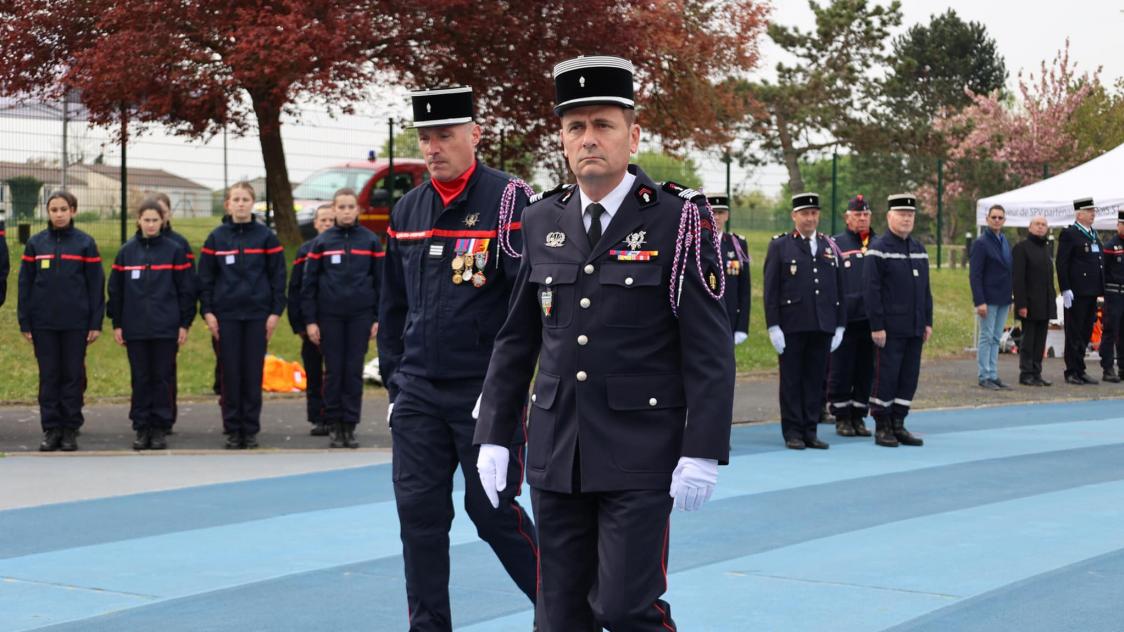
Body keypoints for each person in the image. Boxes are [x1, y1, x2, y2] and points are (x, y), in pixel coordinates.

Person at [474, 56, 735, 631]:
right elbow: (518, 337)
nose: (588, 139)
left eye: (603, 125)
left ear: (633, 134)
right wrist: (494, 431)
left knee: (623, 608)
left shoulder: (678, 220)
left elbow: (709, 349)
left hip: (640, 452)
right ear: (563, 140)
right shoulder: (542, 219)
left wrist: (702, 447)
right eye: (576, 127)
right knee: (559, 615)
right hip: (556, 451)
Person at [376, 85, 538, 630]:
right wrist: (398, 386)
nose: (433, 147)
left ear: (474, 135)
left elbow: (526, 306)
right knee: (418, 518)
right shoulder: (408, 209)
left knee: (492, 513)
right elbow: (391, 307)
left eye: (445, 135)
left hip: (483, 392)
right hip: (419, 391)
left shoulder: (510, 201)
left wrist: (508, 391)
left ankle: (568, 610)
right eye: (425, 137)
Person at [198, 182, 286, 449]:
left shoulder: (266, 238)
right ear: (228, 204)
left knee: (251, 372)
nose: (240, 204)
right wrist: (209, 312)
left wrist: (274, 313)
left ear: (252, 203)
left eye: (245, 199)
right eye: (235, 199)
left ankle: (250, 429)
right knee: (230, 373)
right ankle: (232, 428)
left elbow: (278, 277)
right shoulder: (216, 238)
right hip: (226, 316)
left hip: (258, 315)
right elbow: (206, 279)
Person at [18, 191, 104, 452]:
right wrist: (25, 322)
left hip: (75, 323)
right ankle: (51, 429)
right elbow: (25, 285)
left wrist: (95, 322)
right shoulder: (35, 244)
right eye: (53, 209)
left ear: (73, 211)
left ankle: (69, 428)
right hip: (43, 324)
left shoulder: (85, 244)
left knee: (72, 376)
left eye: (63, 209)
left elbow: (95, 286)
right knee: (49, 376)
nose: (58, 214)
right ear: (48, 212)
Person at [107, 199, 195, 450]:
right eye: (146, 220)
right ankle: (141, 426)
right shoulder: (127, 252)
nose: (151, 224)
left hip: (165, 327)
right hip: (135, 327)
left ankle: (159, 427)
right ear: (138, 221)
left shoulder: (174, 251)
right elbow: (116, 290)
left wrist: (183, 324)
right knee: (141, 378)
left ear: (163, 221)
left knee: (162, 378)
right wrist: (117, 323)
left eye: (155, 220)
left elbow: (185, 290)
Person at [764, 193, 846, 450]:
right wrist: (773, 325)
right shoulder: (781, 246)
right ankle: (793, 431)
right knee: (791, 380)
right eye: (805, 213)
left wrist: (840, 324)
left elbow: (839, 288)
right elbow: (771, 290)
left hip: (822, 324)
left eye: (814, 213)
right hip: (792, 325)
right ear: (794, 216)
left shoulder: (829, 246)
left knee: (815, 380)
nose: (810, 218)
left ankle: (810, 430)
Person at [301, 189, 381, 448]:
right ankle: (334, 423)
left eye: (351, 207)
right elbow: (308, 284)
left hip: (360, 316)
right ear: (334, 210)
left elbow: (381, 284)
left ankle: (350, 424)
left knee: (353, 371)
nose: (346, 211)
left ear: (358, 210)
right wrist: (311, 320)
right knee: (334, 372)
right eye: (342, 207)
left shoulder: (370, 241)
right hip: (330, 317)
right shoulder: (322, 243)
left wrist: (377, 317)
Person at [864, 194, 931, 448]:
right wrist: (877, 325)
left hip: (914, 327)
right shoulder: (879, 248)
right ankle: (882, 425)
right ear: (889, 216)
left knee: (908, 377)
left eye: (910, 215)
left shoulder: (918, 249)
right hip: (890, 330)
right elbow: (872, 290)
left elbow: (926, 290)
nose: (906, 219)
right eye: (901, 214)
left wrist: (927, 321)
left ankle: (898, 423)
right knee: (886, 377)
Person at [827, 194, 875, 437]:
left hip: (871, 319)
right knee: (842, 369)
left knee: (866, 370)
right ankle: (842, 416)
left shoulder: (878, 243)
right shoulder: (835, 243)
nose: (862, 219)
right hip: (846, 319)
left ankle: (859, 415)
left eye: (865, 214)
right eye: (857, 215)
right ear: (847, 217)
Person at [288, 203, 334, 436]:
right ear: (315, 224)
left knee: (334, 373)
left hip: (335, 322)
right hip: (311, 323)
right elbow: (296, 289)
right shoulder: (305, 251)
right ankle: (317, 417)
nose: (326, 224)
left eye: (330, 220)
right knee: (314, 373)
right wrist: (301, 324)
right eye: (322, 220)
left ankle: (333, 415)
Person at [153, 192, 196, 432]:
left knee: (166, 371)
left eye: (162, 211)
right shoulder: (136, 245)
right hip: (145, 321)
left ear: (168, 214)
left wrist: (184, 321)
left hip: (169, 319)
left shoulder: (179, 244)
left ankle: (167, 416)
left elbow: (188, 285)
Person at [1056, 197, 1104, 385]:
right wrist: (1065, 288)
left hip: (1091, 291)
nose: (1093, 214)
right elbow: (1062, 263)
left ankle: (1080, 367)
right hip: (1077, 291)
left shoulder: (1093, 234)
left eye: (1094, 211)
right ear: (1079, 214)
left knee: (1085, 332)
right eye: (1089, 211)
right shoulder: (1071, 234)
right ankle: (1071, 371)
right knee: (1074, 331)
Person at [970, 204, 1014, 390]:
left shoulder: (1004, 240)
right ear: (987, 219)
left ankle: (993, 373)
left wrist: (1011, 297)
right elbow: (975, 274)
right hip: (987, 299)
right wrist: (979, 301)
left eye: (1000, 217)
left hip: (1003, 297)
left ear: (1004, 220)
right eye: (993, 217)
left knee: (997, 338)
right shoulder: (981, 243)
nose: (997, 220)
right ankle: (984, 375)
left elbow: (1009, 270)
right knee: (986, 337)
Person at [1011, 215, 1056, 386]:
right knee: (1028, 341)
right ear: (1030, 227)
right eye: (1037, 224)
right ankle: (1026, 373)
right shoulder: (1021, 248)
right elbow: (1018, 279)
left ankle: (1037, 372)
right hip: (1029, 304)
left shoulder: (1045, 249)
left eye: (1043, 225)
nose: (1040, 227)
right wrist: (1021, 304)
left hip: (1044, 303)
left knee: (1040, 341)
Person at [710, 194, 751, 343]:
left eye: (720, 213)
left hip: (730, 318)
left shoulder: (737, 244)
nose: (716, 217)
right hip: (704, 317)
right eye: (712, 212)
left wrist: (742, 326)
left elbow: (745, 289)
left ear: (726, 215)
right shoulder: (696, 244)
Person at [1100, 210, 1124, 382]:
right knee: (1110, 331)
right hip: (1114, 293)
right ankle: (1108, 368)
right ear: (1118, 226)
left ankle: (1122, 367)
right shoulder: (1110, 246)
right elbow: (1103, 272)